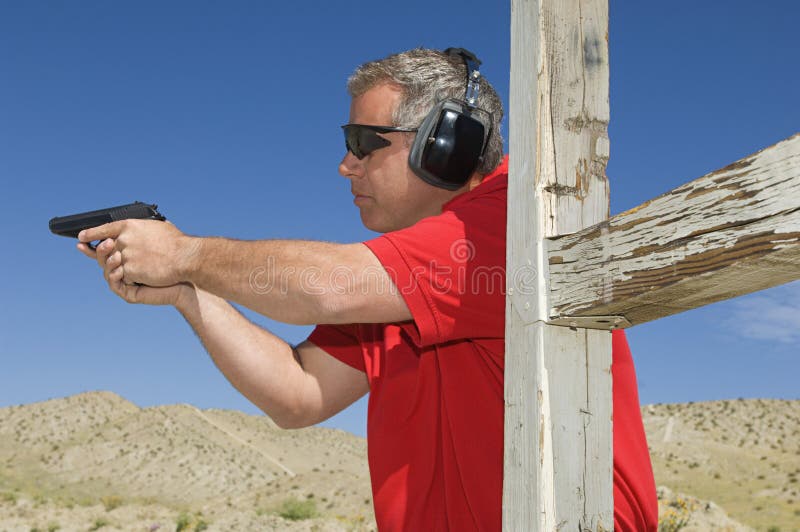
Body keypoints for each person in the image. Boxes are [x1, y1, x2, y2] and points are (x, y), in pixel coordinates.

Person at [78, 48, 657, 531]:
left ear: (445, 144)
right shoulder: (398, 282)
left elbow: (327, 286)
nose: (345, 165)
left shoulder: (517, 225)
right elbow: (299, 394)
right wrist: (187, 291)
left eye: (363, 142)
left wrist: (185, 253)